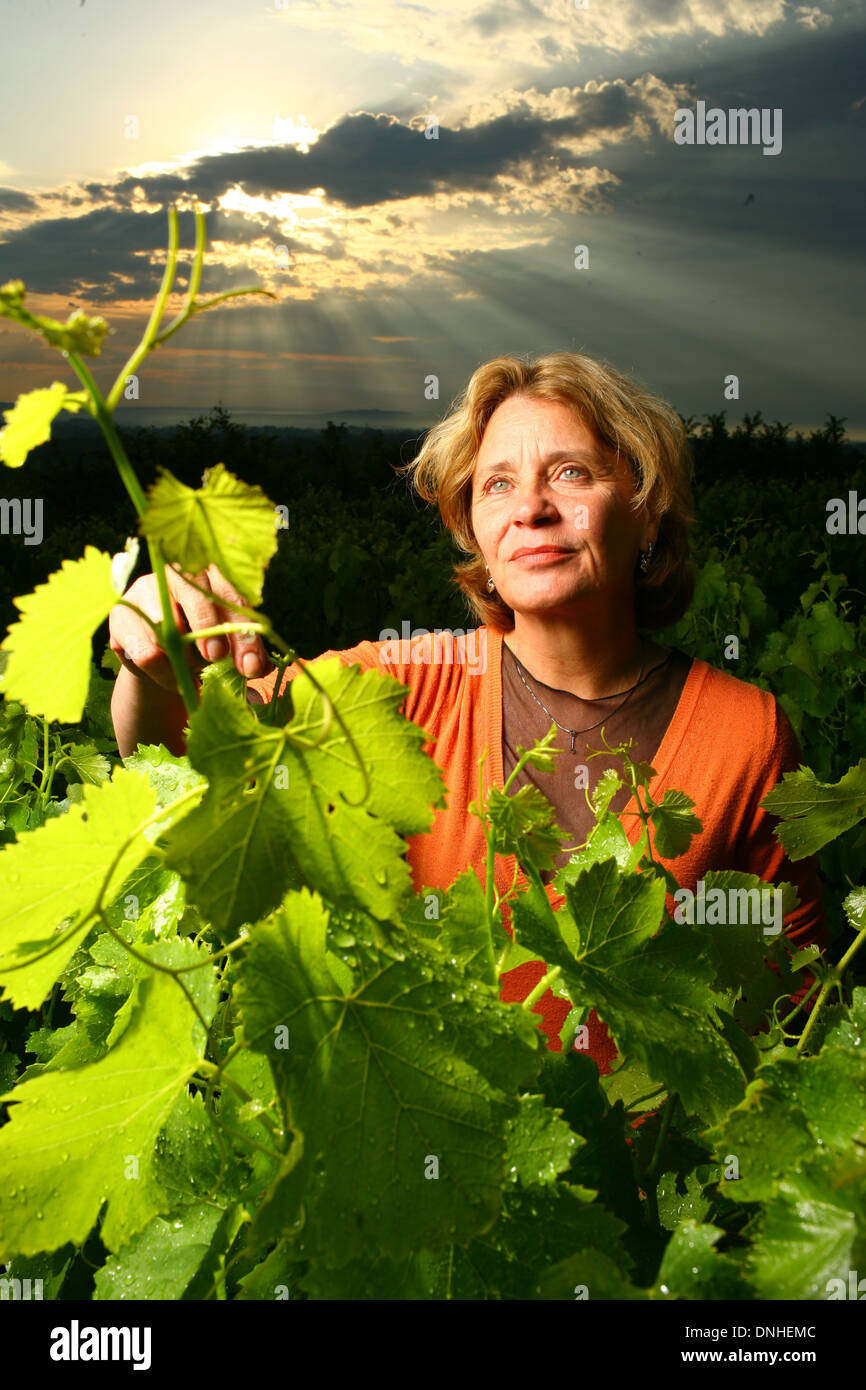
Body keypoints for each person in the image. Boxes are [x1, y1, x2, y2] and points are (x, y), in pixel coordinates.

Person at [109, 351, 826, 1071]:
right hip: (432, 1154)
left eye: (572, 473)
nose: (530, 508)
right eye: (497, 484)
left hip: (656, 1179)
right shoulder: (398, 688)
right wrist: (154, 646)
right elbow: (182, 753)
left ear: (646, 514)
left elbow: (789, 1020)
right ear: (477, 537)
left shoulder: (746, 734)